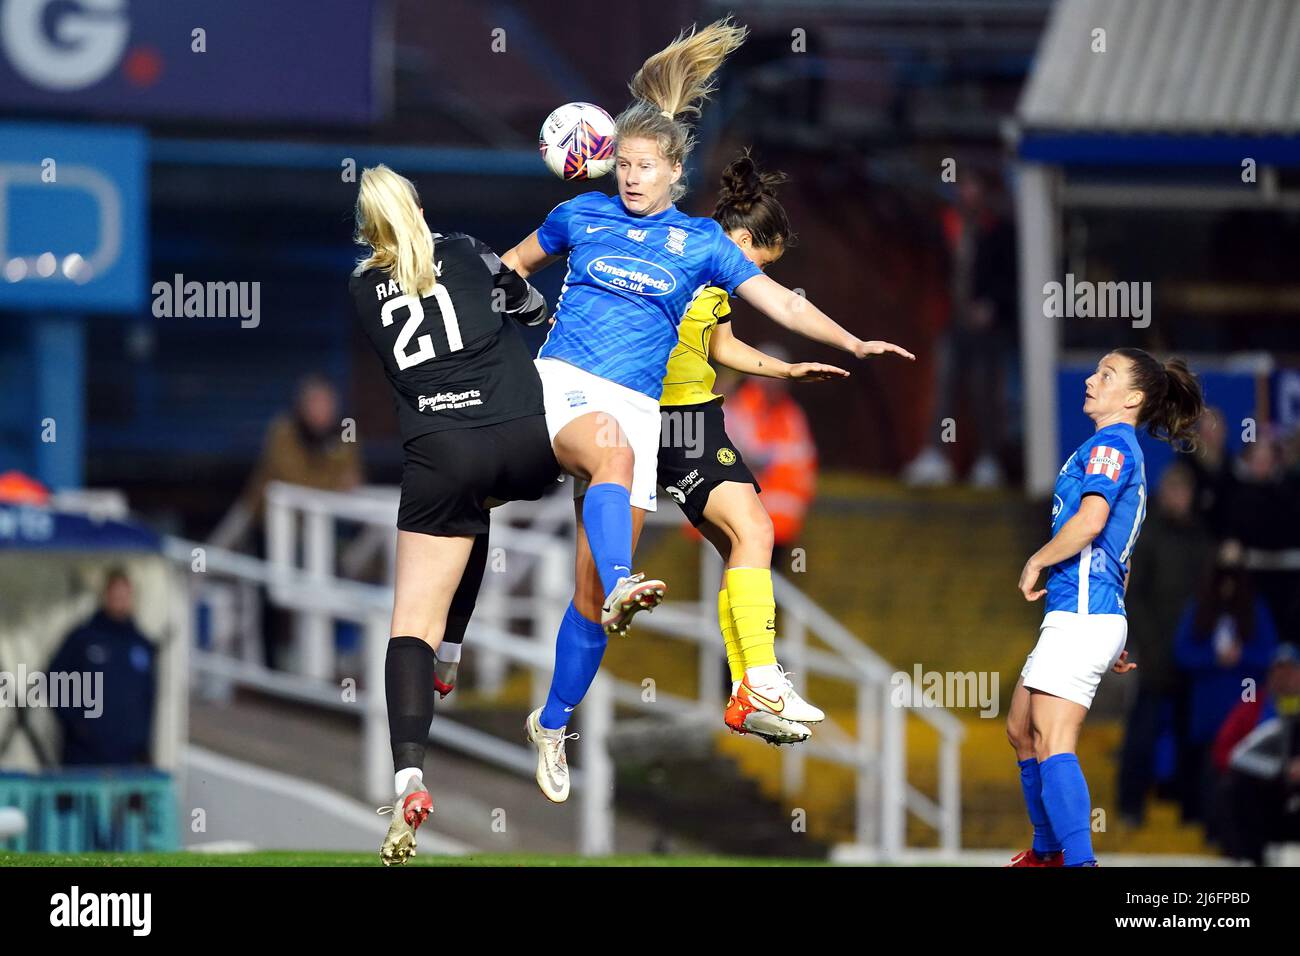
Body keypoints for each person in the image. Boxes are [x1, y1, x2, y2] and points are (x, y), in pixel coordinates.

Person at [500, 19, 913, 803]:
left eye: (644, 166)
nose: (628, 178)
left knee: (591, 596)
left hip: (638, 413)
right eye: (621, 164)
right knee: (569, 483)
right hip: (561, 387)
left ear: (675, 171)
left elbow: (780, 302)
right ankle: (479, 629)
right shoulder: (577, 218)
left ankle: (553, 722)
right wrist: (498, 290)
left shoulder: (698, 245)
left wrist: (854, 342)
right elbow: (508, 269)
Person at [349, 164, 558, 865]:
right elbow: (531, 309)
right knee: (488, 495)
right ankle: (455, 650)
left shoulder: (360, 289)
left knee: (410, 616)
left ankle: (409, 772)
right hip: (527, 439)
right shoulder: (468, 251)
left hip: (444, 451)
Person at [657, 153, 847, 745]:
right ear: (740, 239)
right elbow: (783, 306)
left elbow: (723, 348)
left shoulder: (706, 275)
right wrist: (854, 344)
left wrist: (786, 371)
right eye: (760, 264)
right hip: (675, 418)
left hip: (679, 415)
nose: (757, 279)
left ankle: (747, 691)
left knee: (740, 545)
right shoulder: (687, 252)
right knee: (755, 534)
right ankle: (757, 683)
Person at [1005, 348, 1205, 867]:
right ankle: (1049, 853)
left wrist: (1037, 562)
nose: (1092, 380)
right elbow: (1125, 551)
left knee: (1053, 738)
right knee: (1022, 729)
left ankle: (1077, 860)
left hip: (1084, 615)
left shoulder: (1111, 447)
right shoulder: (1111, 447)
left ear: (1133, 397)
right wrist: (1113, 630)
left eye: (1106, 375)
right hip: (1088, 615)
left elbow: (1092, 523)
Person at [1117, 461, 1213, 825]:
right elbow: (1134, 597)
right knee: (1142, 734)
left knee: (1194, 735)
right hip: (1156, 657)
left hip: (1194, 657)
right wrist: (1153, 645)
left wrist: (1198, 643)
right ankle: (1130, 806)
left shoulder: (1202, 539)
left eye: (1183, 491)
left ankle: (1192, 810)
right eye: (1171, 490)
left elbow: (1208, 598)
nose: (1178, 498)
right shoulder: (1149, 537)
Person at [1172, 544, 1279, 826]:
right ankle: (1209, 825)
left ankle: (1237, 829)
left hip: (1243, 703)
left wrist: (1241, 656)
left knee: (1240, 771)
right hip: (1209, 705)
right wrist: (1213, 658)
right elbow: (1182, 652)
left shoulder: (1255, 609)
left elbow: (1270, 654)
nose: (1228, 581)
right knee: (1208, 770)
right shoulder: (1199, 608)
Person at [49, 569, 156, 766]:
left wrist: (143, 743)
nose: (120, 600)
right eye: (116, 594)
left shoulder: (141, 645)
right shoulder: (83, 639)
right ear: (106, 595)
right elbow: (54, 679)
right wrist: (77, 724)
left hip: (127, 759)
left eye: (124, 595)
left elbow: (148, 700)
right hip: (83, 757)